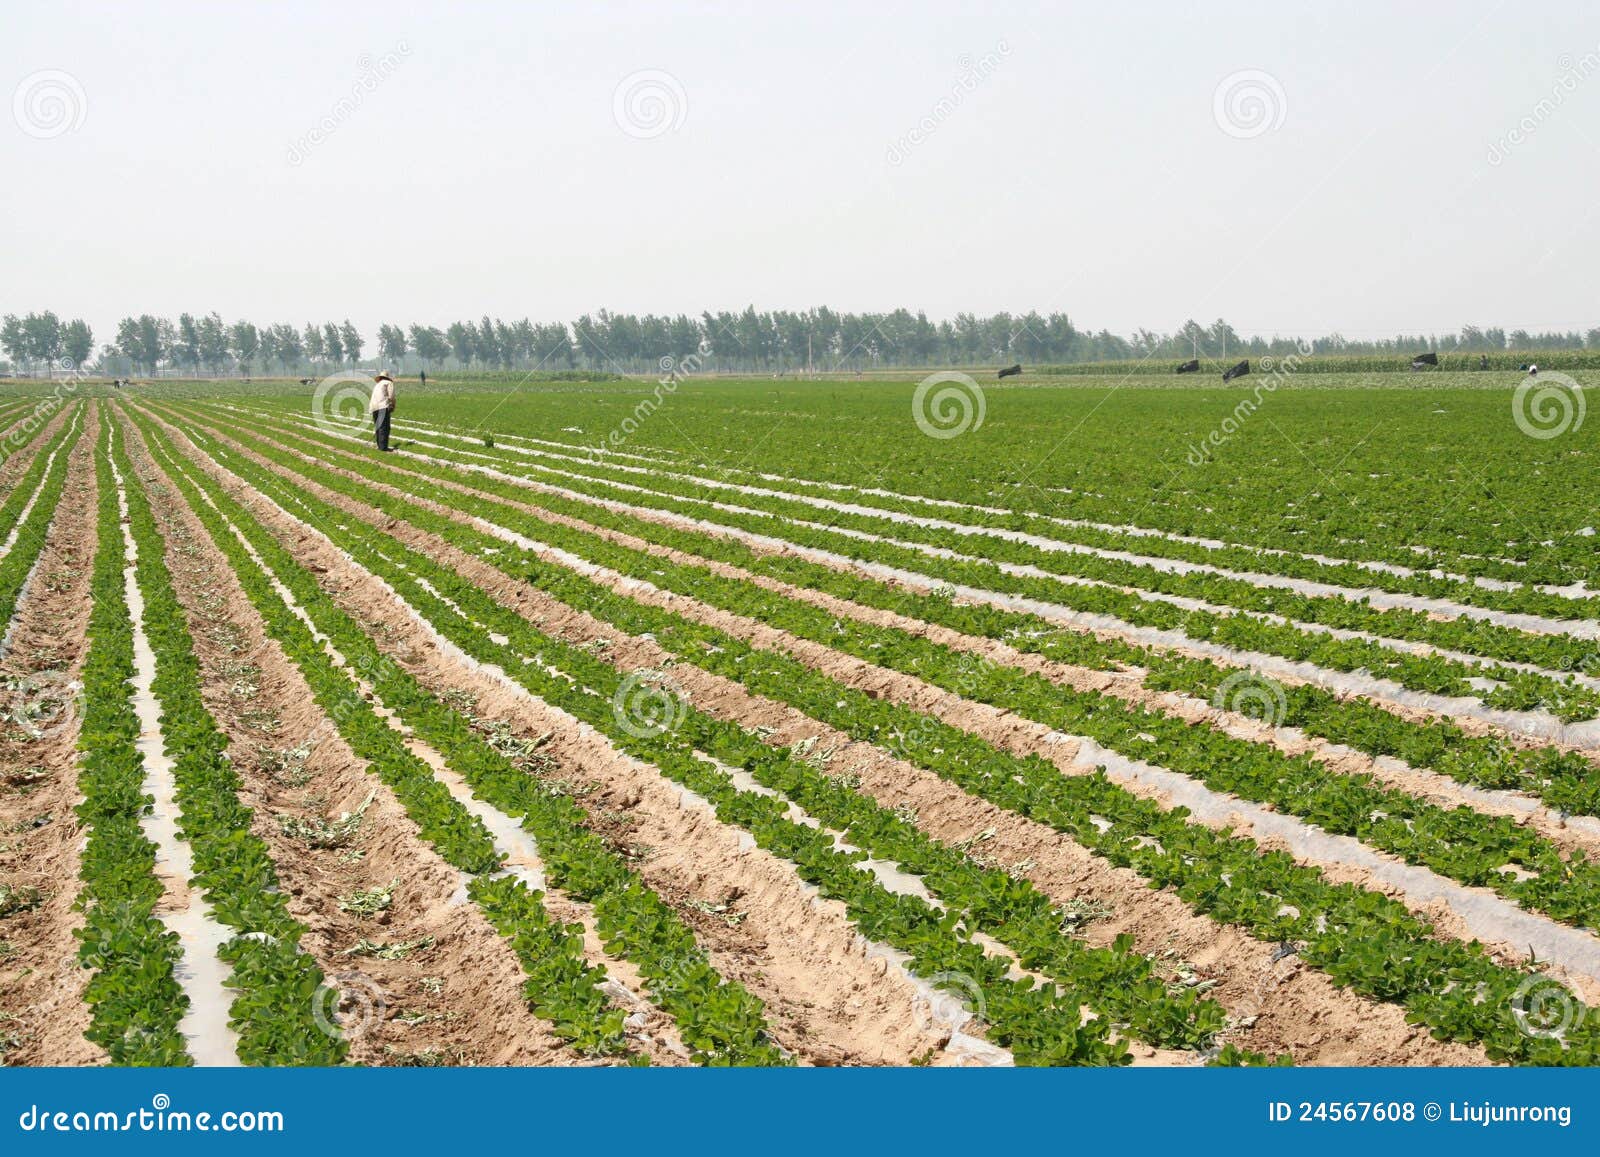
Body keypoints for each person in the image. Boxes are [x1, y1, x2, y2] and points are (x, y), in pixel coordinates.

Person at [370, 372, 396, 451]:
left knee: (378, 426)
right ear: (387, 378)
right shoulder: (389, 383)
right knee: (384, 427)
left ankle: (379, 445)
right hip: (382, 406)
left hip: (373, 407)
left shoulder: (377, 385)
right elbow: (391, 395)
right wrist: (393, 405)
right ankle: (383, 447)